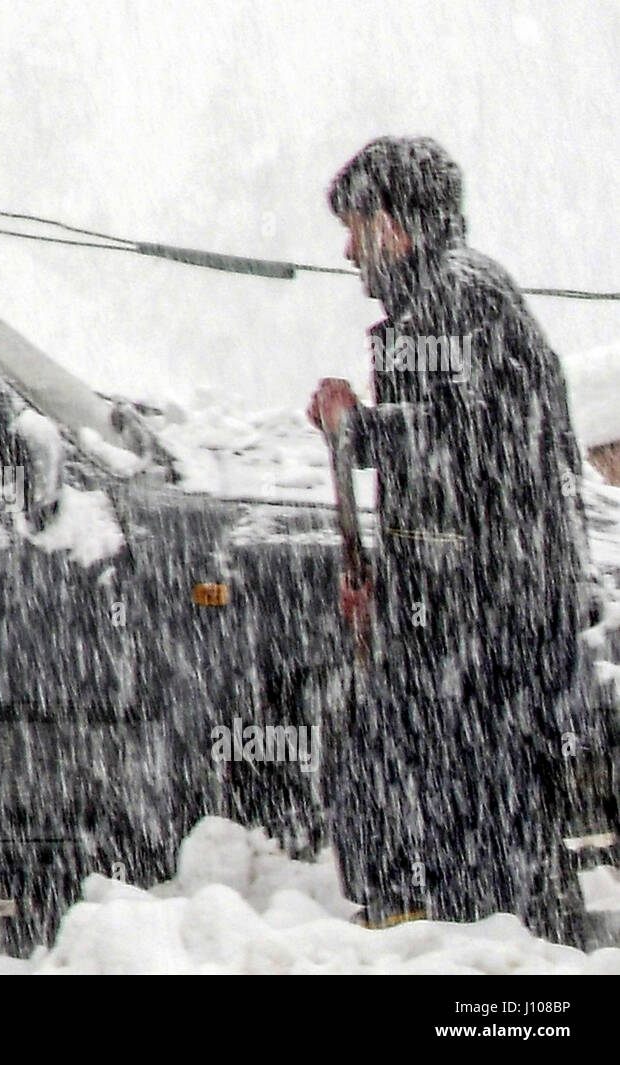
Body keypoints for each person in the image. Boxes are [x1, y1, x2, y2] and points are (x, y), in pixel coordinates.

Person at [307, 136, 592, 942]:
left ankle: (506, 981)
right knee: (472, 826)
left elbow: (484, 440)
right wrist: (383, 579)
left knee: (486, 832)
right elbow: (438, 480)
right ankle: (495, 957)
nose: (347, 249)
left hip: (495, 614)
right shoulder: (429, 308)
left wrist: (365, 429)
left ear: (393, 224)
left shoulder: (462, 298)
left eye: (356, 224)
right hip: (469, 609)